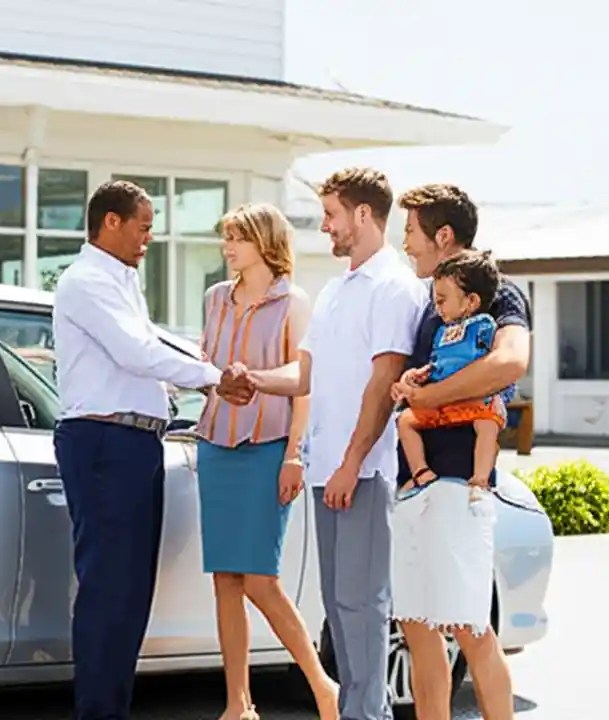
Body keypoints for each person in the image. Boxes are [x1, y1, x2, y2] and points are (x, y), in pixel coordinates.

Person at [52, 179, 252, 720]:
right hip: (104, 444)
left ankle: (111, 709)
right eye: (143, 229)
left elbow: (153, 340)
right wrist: (212, 376)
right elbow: (136, 351)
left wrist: (209, 363)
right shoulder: (85, 282)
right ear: (110, 222)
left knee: (132, 592)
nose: (148, 241)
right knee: (108, 590)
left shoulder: (120, 281)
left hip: (134, 444)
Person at [246, 168, 428, 720]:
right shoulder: (335, 288)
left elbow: (384, 384)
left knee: (363, 606)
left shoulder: (395, 287)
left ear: (364, 215)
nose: (324, 225)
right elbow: (305, 375)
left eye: (331, 213)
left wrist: (351, 463)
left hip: (364, 472)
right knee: (339, 609)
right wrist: (249, 380)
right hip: (329, 470)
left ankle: (366, 715)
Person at [192, 202, 339, 720]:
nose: (227, 246)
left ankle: (323, 686)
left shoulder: (293, 302)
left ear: (265, 242)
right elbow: (205, 365)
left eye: (237, 237)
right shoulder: (214, 298)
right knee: (225, 580)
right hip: (215, 446)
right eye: (226, 237)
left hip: (267, 449)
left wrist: (294, 454)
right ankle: (239, 705)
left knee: (260, 578)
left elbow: (303, 384)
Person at [391, 184, 530, 720]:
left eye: (410, 231)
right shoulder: (430, 307)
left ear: (442, 235)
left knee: (471, 625)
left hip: (460, 485)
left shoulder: (497, 293)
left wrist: (428, 397)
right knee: (418, 624)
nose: (405, 243)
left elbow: (509, 361)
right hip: (414, 485)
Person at [394, 249, 508, 503]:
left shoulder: (484, 326)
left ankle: (480, 480)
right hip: (441, 406)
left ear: (471, 302)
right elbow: (436, 364)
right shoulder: (441, 332)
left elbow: (493, 364)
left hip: (472, 404)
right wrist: (417, 376)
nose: (437, 307)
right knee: (405, 421)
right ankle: (421, 472)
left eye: (443, 300)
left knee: (488, 425)